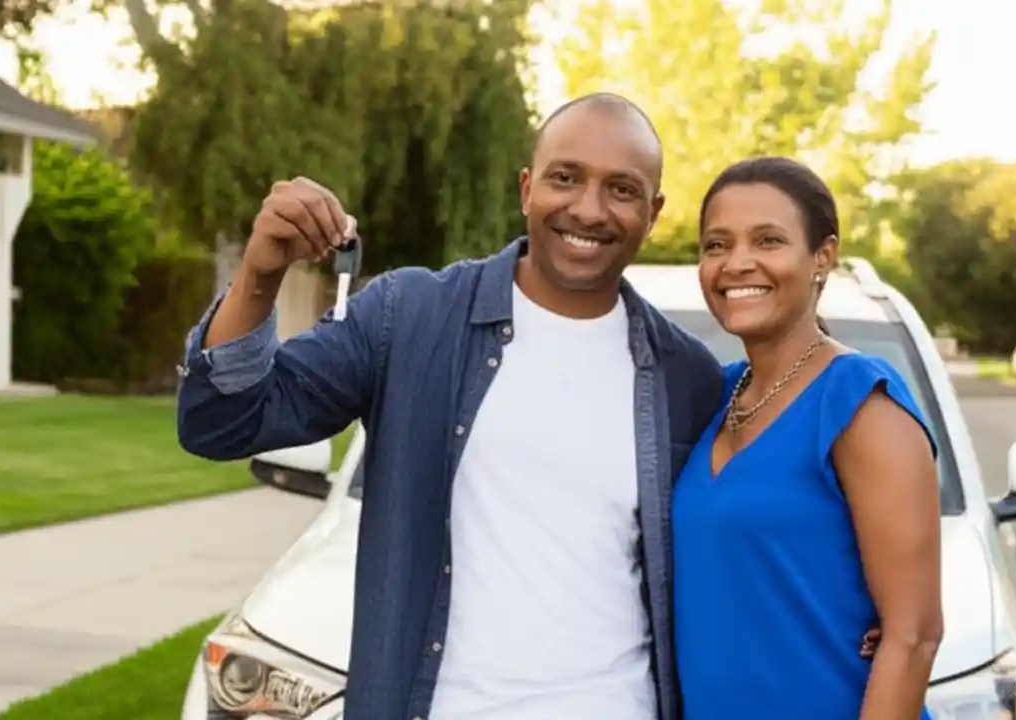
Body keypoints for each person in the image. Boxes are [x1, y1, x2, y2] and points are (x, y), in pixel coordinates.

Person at [174, 92, 722, 720]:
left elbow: (748, 539)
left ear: (652, 213)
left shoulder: (687, 378)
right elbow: (220, 422)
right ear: (526, 188)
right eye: (565, 178)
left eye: (621, 190)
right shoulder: (409, 317)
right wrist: (260, 275)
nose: (588, 209)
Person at [672, 156, 943, 720]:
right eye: (716, 245)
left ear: (822, 257)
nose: (736, 263)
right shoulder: (713, 399)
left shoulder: (861, 403)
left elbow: (914, 636)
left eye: (768, 240)